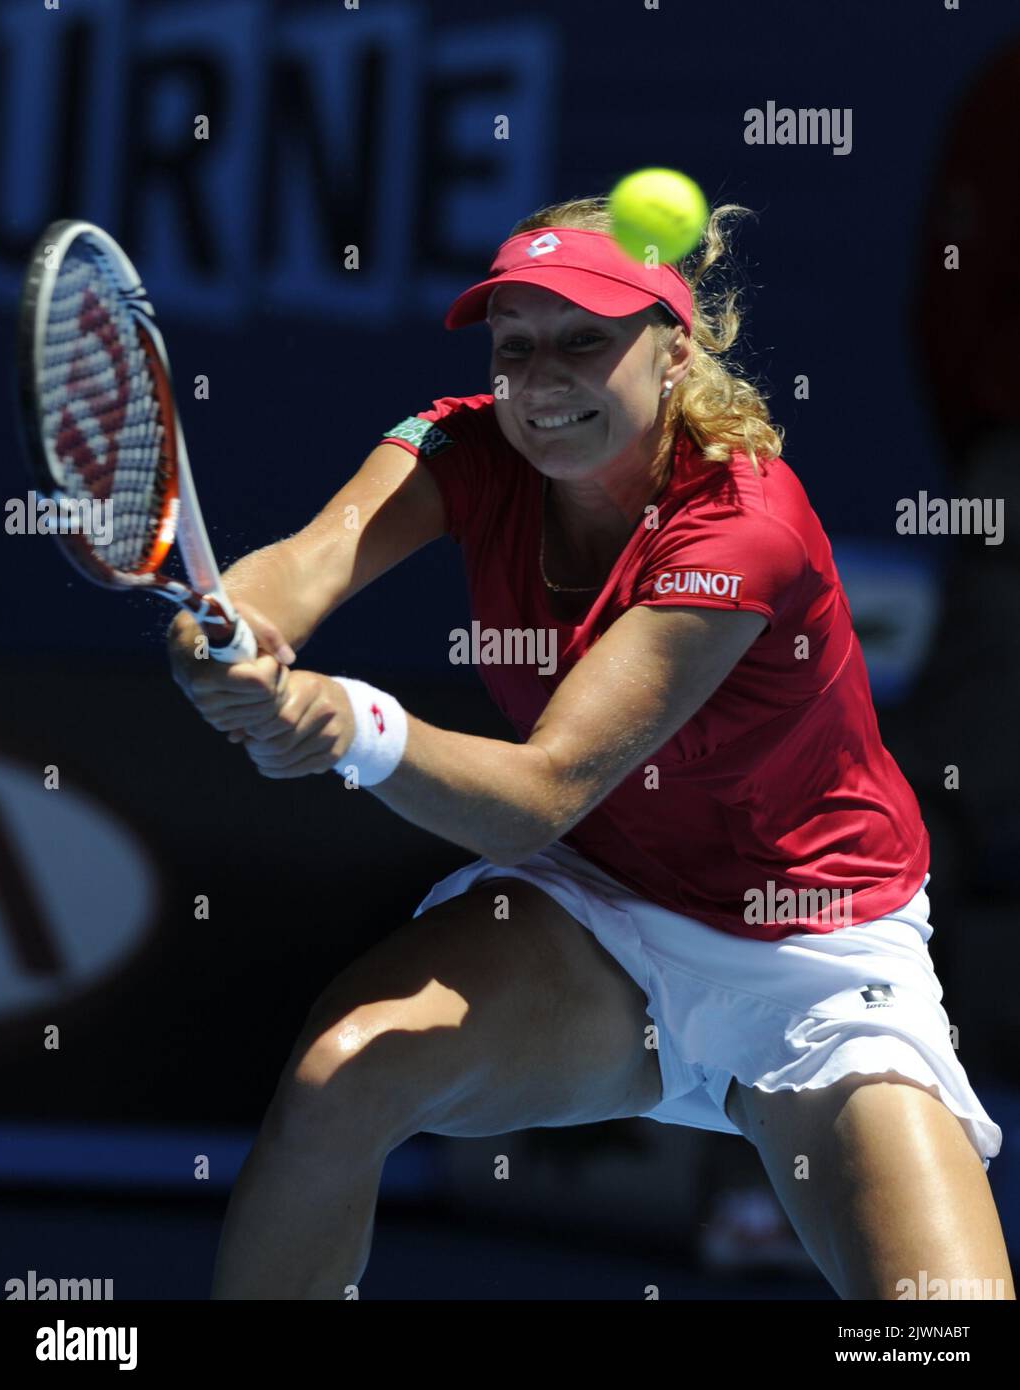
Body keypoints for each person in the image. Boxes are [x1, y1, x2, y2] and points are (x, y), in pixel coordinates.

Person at [169, 197, 1014, 1301]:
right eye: (513, 346)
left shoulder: (742, 523)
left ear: (673, 354)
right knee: (341, 1076)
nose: (541, 377)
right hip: (595, 912)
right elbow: (306, 562)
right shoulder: (461, 443)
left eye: (583, 340)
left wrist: (355, 727)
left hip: (816, 957)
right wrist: (226, 629)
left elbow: (543, 792)